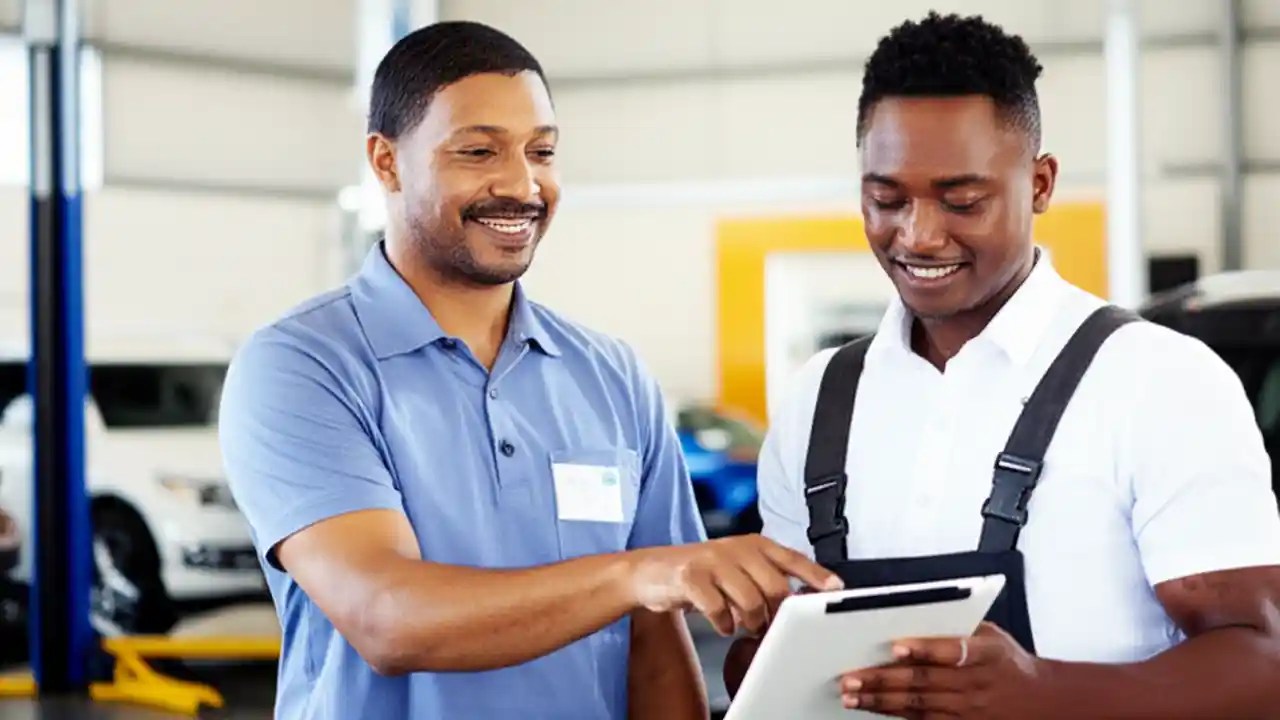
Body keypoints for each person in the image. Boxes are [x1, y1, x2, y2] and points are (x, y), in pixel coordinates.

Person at [218, 20, 841, 720]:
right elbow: (387, 617)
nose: (521, 184)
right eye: (479, 151)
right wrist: (640, 574)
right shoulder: (304, 367)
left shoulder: (611, 377)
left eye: (542, 151)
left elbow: (654, 642)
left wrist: (653, 584)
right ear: (387, 162)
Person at [723, 12, 1280, 718]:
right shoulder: (819, 400)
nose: (918, 235)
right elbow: (765, 658)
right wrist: (765, 659)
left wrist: (1042, 695)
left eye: (963, 200)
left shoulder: (1159, 381)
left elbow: (1263, 659)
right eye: (885, 199)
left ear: (1041, 184)